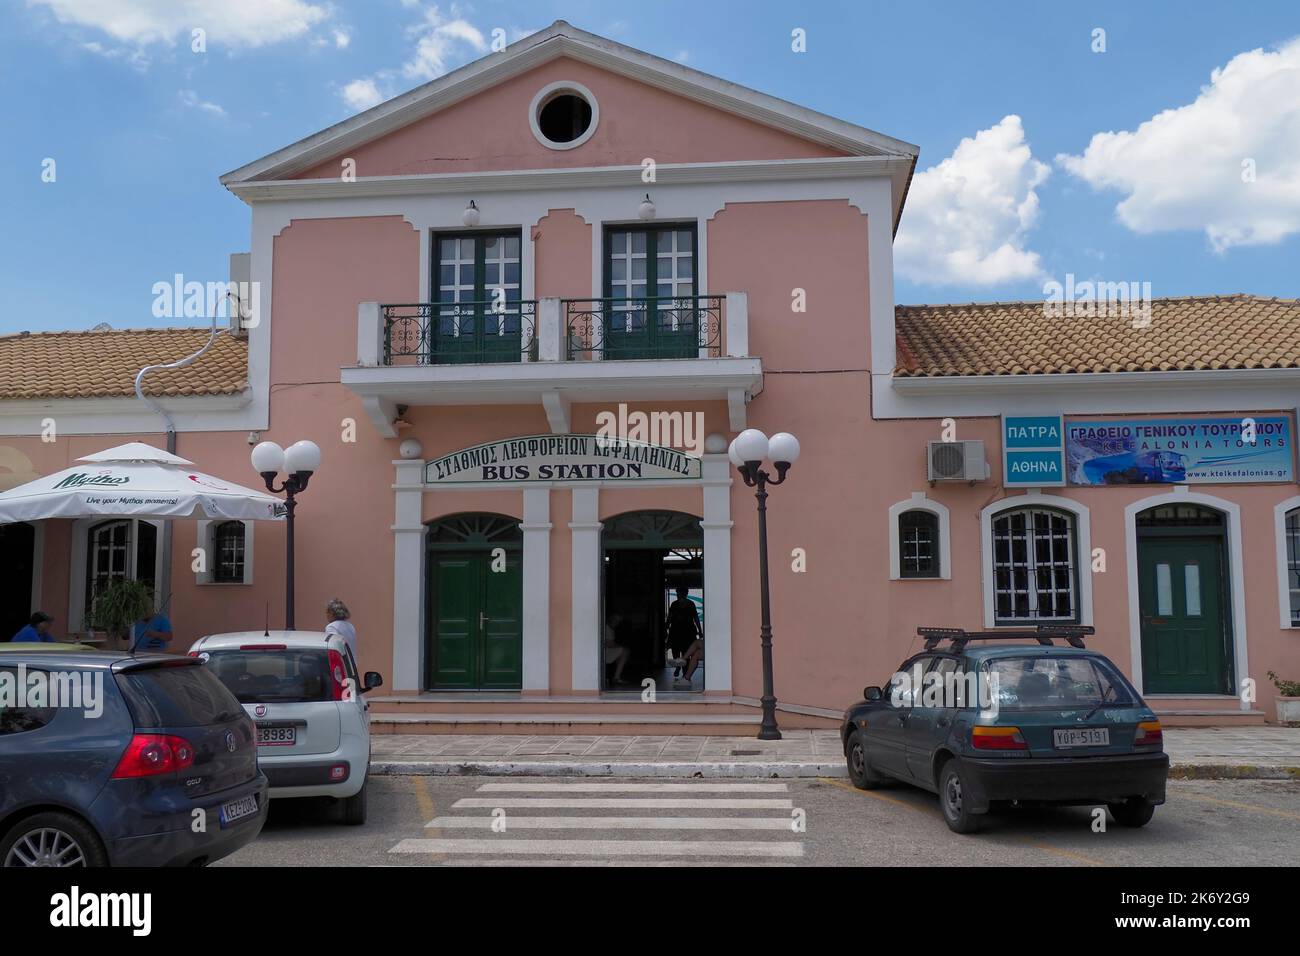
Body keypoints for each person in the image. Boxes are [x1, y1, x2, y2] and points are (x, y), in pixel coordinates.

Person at [666, 588, 702, 678]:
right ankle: (683, 670)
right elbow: (696, 618)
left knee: (680, 651)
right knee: (682, 651)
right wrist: (700, 630)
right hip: (683, 632)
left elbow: (669, 618)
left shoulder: (677, 604)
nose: (680, 595)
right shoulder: (688, 604)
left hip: (681, 632)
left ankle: (683, 670)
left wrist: (666, 626)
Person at [325, 598, 358, 663]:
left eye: (327, 612)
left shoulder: (331, 627)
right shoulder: (350, 626)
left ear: (331, 613)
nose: (326, 615)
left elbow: (333, 648)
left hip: (341, 664)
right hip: (352, 665)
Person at [603, 612, 632, 686]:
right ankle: (616, 677)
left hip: (607, 650)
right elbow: (609, 644)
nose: (618, 623)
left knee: (624, 652)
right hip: (604, 652)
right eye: (617, 621)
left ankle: (617, 675)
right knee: (624, 651)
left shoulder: (611, 628)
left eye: (619, 622)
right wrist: (621, 647)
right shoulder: (607, 628)